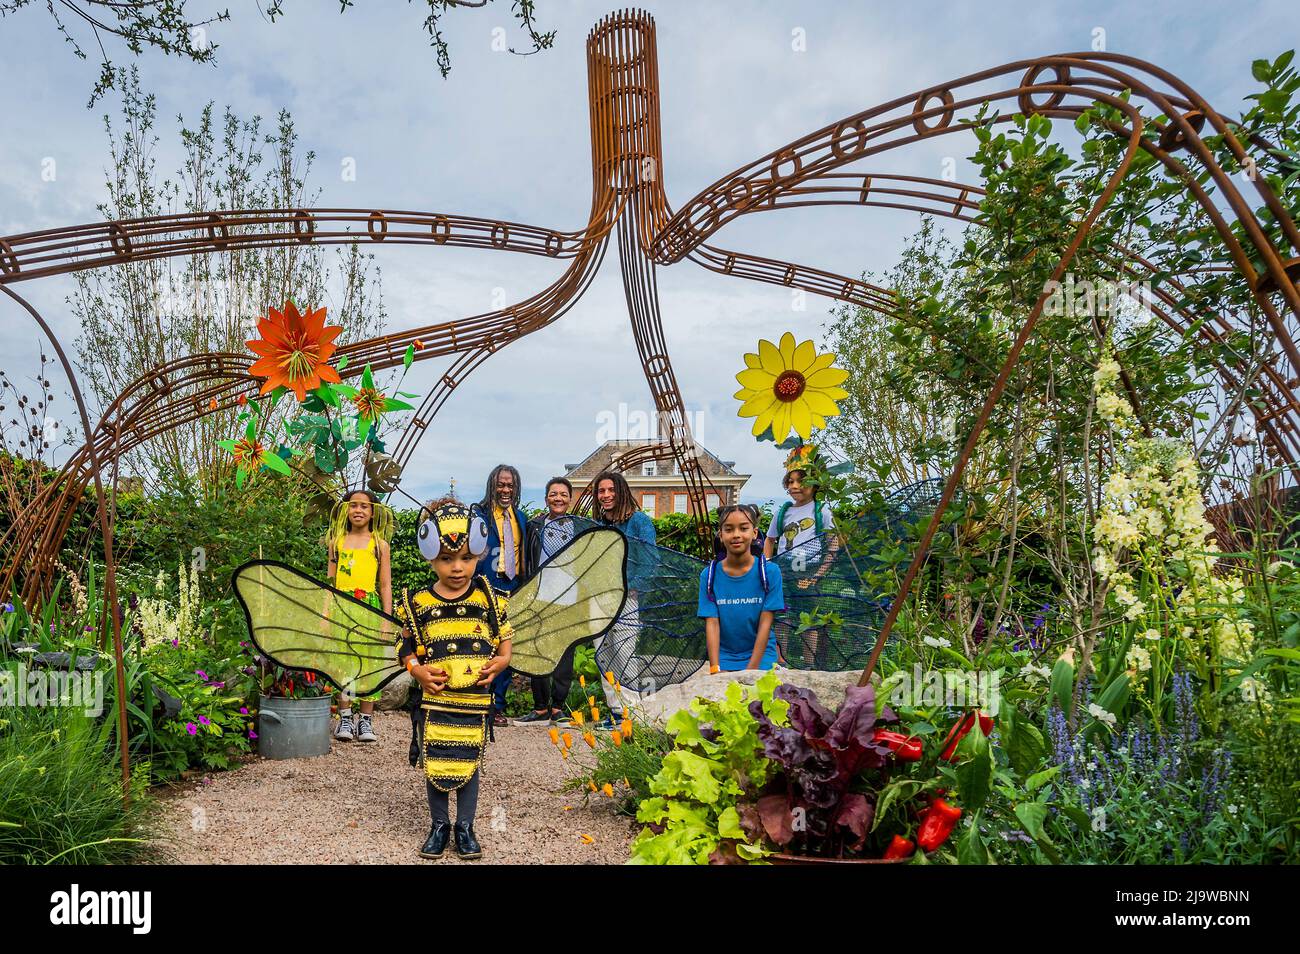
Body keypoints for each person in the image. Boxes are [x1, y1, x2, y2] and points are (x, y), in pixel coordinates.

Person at [397, 498, 512, 862]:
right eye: (447, 559)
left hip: (475, 701)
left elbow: (505, 643)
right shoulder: (417, 603)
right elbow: (406, 647)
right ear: (430, 558)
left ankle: (465, 827)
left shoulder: (491, 600)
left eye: (465, 558)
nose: (457, 567)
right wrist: (416, 669)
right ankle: (438, 825)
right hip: (435, 700)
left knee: (469, 760)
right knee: (437, 760)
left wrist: (501, 661)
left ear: (478, 554)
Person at [515, 477, 583, 726]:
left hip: (568, 597)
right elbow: (524, 559)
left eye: (563, 494)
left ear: (570, 499)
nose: (558, 498)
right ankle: (540, 708)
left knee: (565, 652)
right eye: (553, 494)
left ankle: (558, 707)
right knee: (537, 650)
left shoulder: (580, 528)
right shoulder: (533, 526)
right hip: (539, 595)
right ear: (546, 499)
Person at [327, 489, 393, 743]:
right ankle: (344, 717)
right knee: (343, 661)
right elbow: (330, 582)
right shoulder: (337, 542)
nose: (358, 510)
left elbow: (385, 585)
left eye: (364, 506)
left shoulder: (379, 545)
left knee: (369, 662)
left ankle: (365, 721)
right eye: (353, 505)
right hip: (342, 608)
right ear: (345, 510)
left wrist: (386, 618)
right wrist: (325, 614)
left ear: (373, 511)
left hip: (369, 608)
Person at [592, 470, 656, 728]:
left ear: (621, 491)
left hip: (626, 598)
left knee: (625, 653)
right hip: (600, 598)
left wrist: (633, 587)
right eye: (601, 491)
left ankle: (633, 713)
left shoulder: (639, 522)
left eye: (610, 490)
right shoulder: (599, 525)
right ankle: (616, 712)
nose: (606, 495)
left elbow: (651, 560)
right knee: (603, 654)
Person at [473, 464, 529, 728]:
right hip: (485, 589)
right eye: (501, 484)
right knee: (480, 647)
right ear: (492, 486)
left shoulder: (521, 518)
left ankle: (497, 706)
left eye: (510, 485)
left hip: (512, 590)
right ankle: (476, 701)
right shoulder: (478, 515)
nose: (505, 489)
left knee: (506, 651)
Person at [700, 504, 785, 672]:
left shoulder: (770, 573)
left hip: (761, 656)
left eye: (743, 528)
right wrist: (715, 668)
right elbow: (712, 623)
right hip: (725, 656)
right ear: (721, 535)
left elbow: (765, 624)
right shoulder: (709, 575)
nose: (736, 535)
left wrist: (750, 672)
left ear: (754, 533)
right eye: (729, 529)